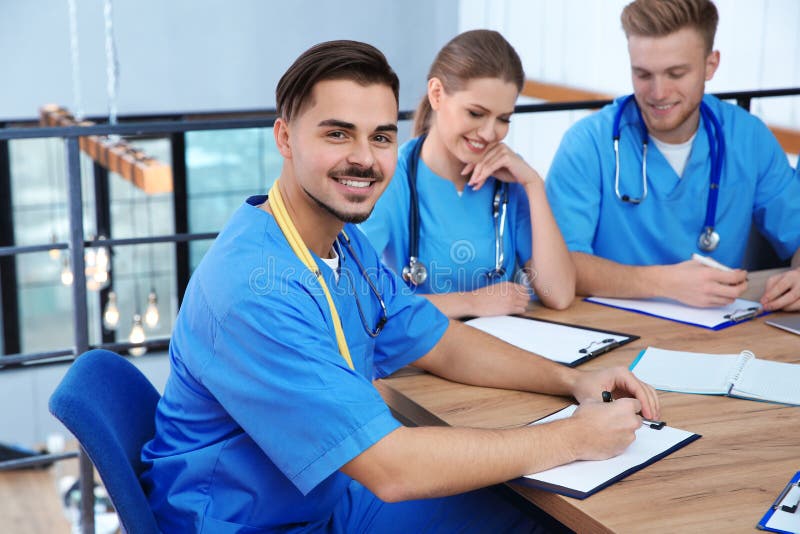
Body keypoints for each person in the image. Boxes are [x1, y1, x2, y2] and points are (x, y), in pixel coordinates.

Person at [140, 39, 659, 532]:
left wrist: (572, 383)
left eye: (381, 136)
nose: (365, 158)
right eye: (337, 133)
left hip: (326, 498)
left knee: (532, 515)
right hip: (255, 523)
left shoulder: (342, 244)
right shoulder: (253, 291)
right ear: (284, 137)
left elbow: (439, 340)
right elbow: (392, 469)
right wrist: (569, 436)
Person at [545, 0, 800, 312]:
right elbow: (558, 266)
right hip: (611, 331)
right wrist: (664, 283)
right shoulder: (587, 144)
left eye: (676, 73)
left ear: (711, 65)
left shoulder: (748, 138)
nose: (658, 93)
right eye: (643, 74)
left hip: (721, 336)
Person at [361, 30, 575, 319]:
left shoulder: (511, 180)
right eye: (475, 113)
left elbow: (559, 294)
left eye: (503, 119)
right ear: (437, 94)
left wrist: (533, 184)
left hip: (504, 347)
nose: (489, 133)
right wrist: (470, 303)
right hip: (423, 355)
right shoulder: (392, 178)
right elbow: (362, 300)